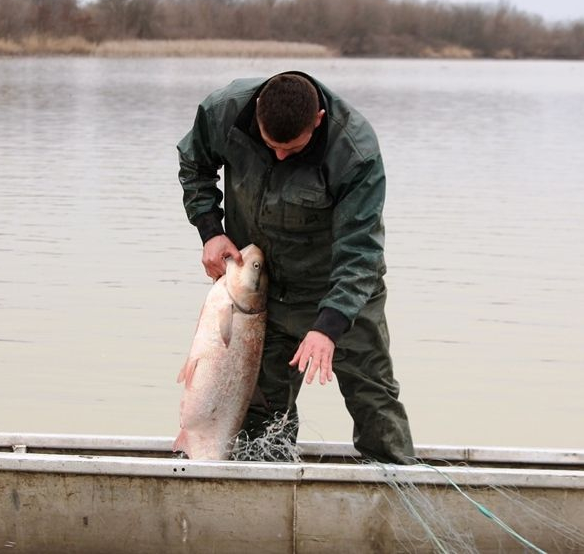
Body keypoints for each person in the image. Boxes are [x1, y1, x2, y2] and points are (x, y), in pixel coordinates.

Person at [177, 71, 415, 464]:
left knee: (372, 393)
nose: (280, 157)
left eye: (292, 149)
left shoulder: (354, 150)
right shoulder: (224, 112)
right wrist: (210, 230)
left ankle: (396, 484)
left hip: (339, 288)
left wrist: (329, 325)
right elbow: (195, 163)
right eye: (272, 146)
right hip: (262, 289)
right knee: (263, 406)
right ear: (257, 113)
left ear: (318, 119)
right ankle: (261, 487)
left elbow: (361, 249)